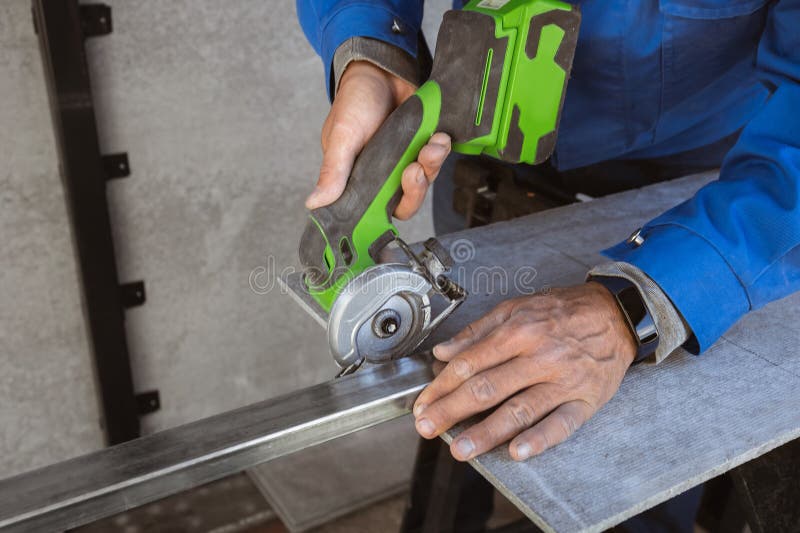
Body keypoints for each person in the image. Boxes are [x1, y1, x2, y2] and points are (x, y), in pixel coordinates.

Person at [296, 1, 799, 531]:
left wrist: (643, 307)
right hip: (480, 119)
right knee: (461, 404)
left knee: (624, 483)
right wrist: (371, 53)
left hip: (689, 198)